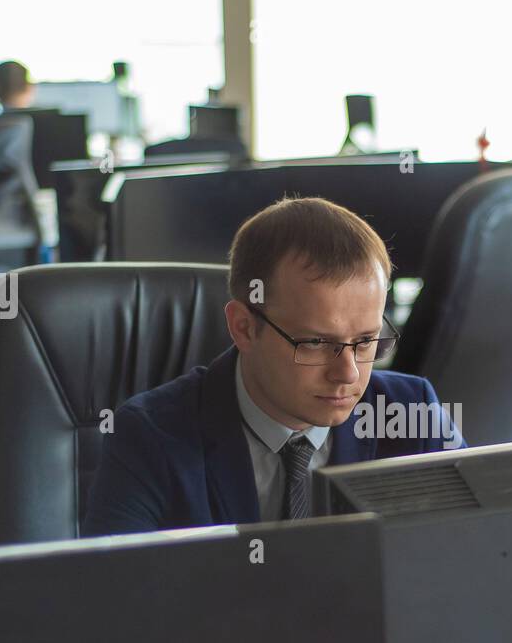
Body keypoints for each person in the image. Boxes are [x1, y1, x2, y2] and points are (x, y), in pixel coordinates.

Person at [82, 197, 464, 534]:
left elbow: (478, 560)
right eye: (315, 343)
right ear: (244, 328)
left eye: (365, 341)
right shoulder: (151, 439)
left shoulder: (412, 415)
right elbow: (111, 603)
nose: (347, 373)